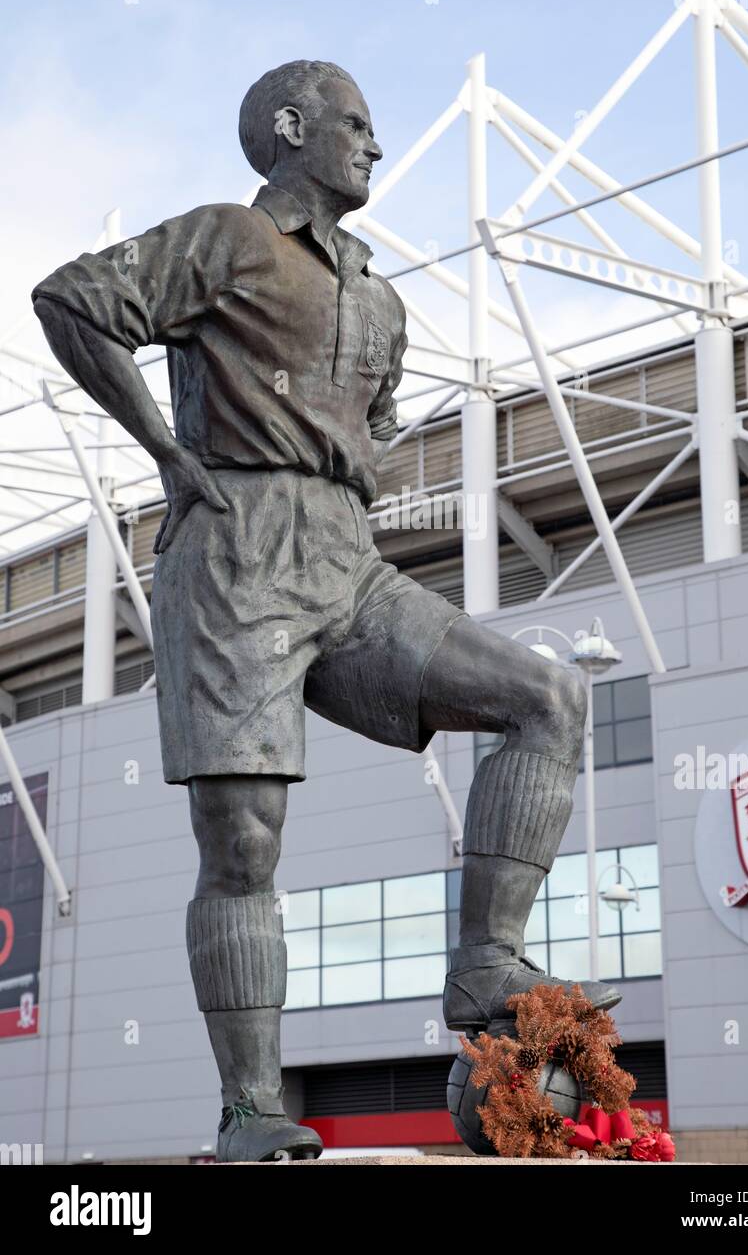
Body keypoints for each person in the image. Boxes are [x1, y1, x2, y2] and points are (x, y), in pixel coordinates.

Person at [32, 60, 621, 1163]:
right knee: (244, 841)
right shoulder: (226, 239)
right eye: (356, 123)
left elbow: (375, 429)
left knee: (548, 694)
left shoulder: (379, 292)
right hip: (234, 556)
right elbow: (72, 298)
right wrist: (166, 451)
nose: (374, 143)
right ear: (290, 127)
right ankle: (251, 1107)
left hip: (347, 562)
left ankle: (484, 960)